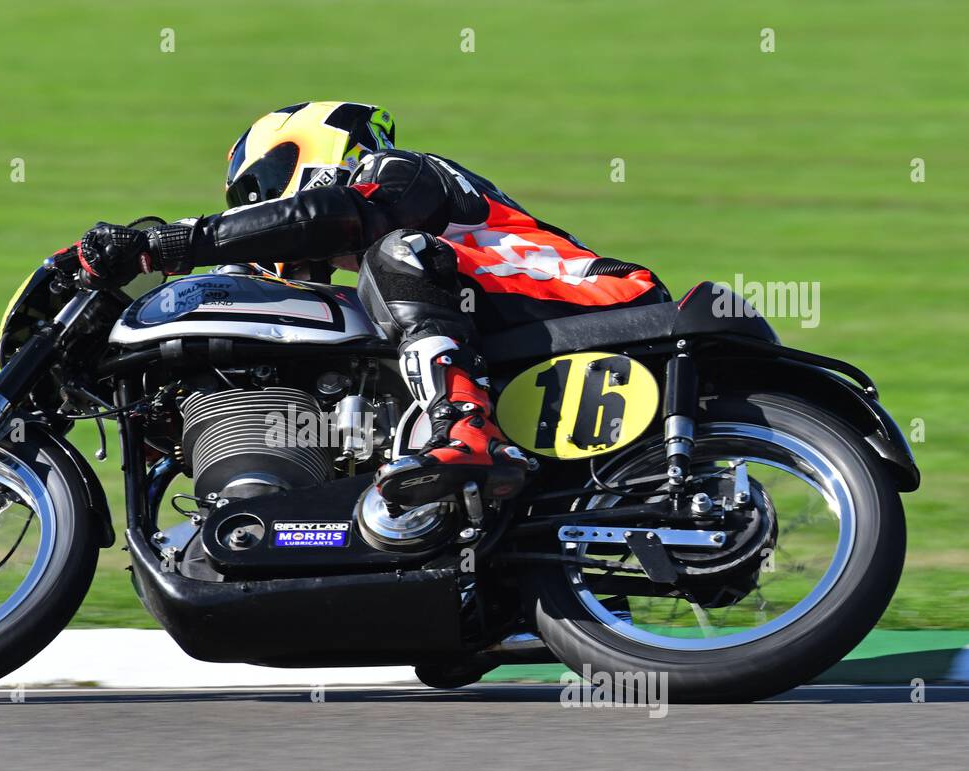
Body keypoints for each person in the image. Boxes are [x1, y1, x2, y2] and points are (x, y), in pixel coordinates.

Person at [63, 101, 668, 506]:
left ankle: (463, 424)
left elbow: (338, 217)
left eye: (261, 195)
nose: (258, 216)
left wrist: (175, 242)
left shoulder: (404, 175)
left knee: (396, 253)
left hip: (597, 307)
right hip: (529, 336)